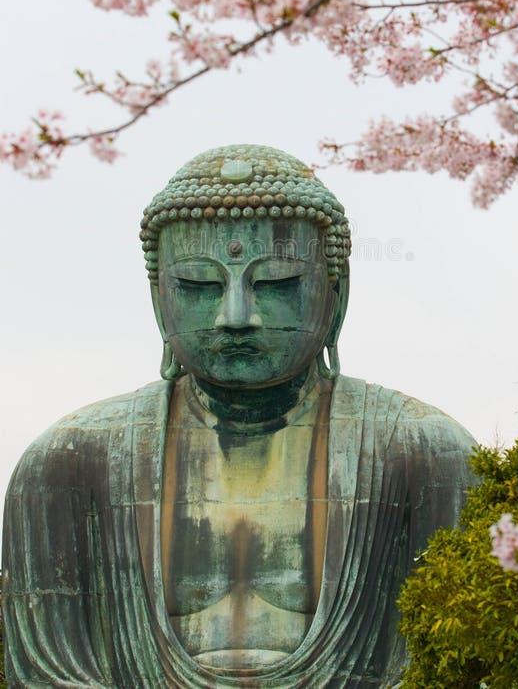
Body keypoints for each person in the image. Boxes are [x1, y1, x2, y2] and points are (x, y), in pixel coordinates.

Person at [3, 144, 476, 688]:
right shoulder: (68, 464)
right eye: (200, 287)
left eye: (275, 284)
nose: (236, 317)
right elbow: (46, 678)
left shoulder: (423, 454)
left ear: (336, 294)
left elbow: (461, 670)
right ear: (159, 302)